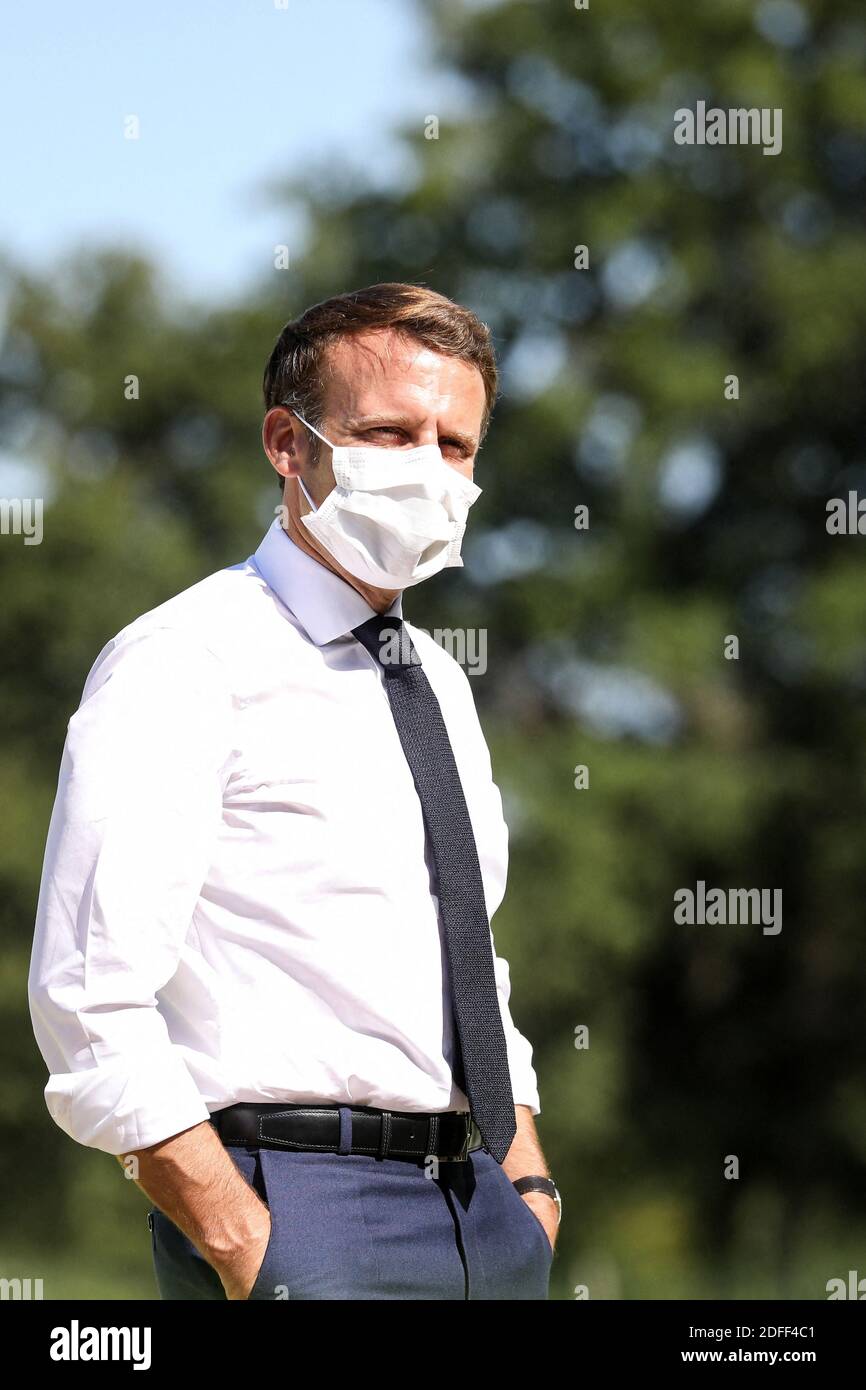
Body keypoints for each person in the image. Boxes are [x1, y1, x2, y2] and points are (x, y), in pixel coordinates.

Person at [28, 282, 561, 1300]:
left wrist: (527, 1184)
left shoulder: (439, 682)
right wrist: (244, 1240)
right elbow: (87, 995)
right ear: (288, 442)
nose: (429, 471)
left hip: (482, 1213)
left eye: (455, 446)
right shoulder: (184, 659)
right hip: (302, 1211)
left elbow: (469, 961)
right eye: (389, 433)